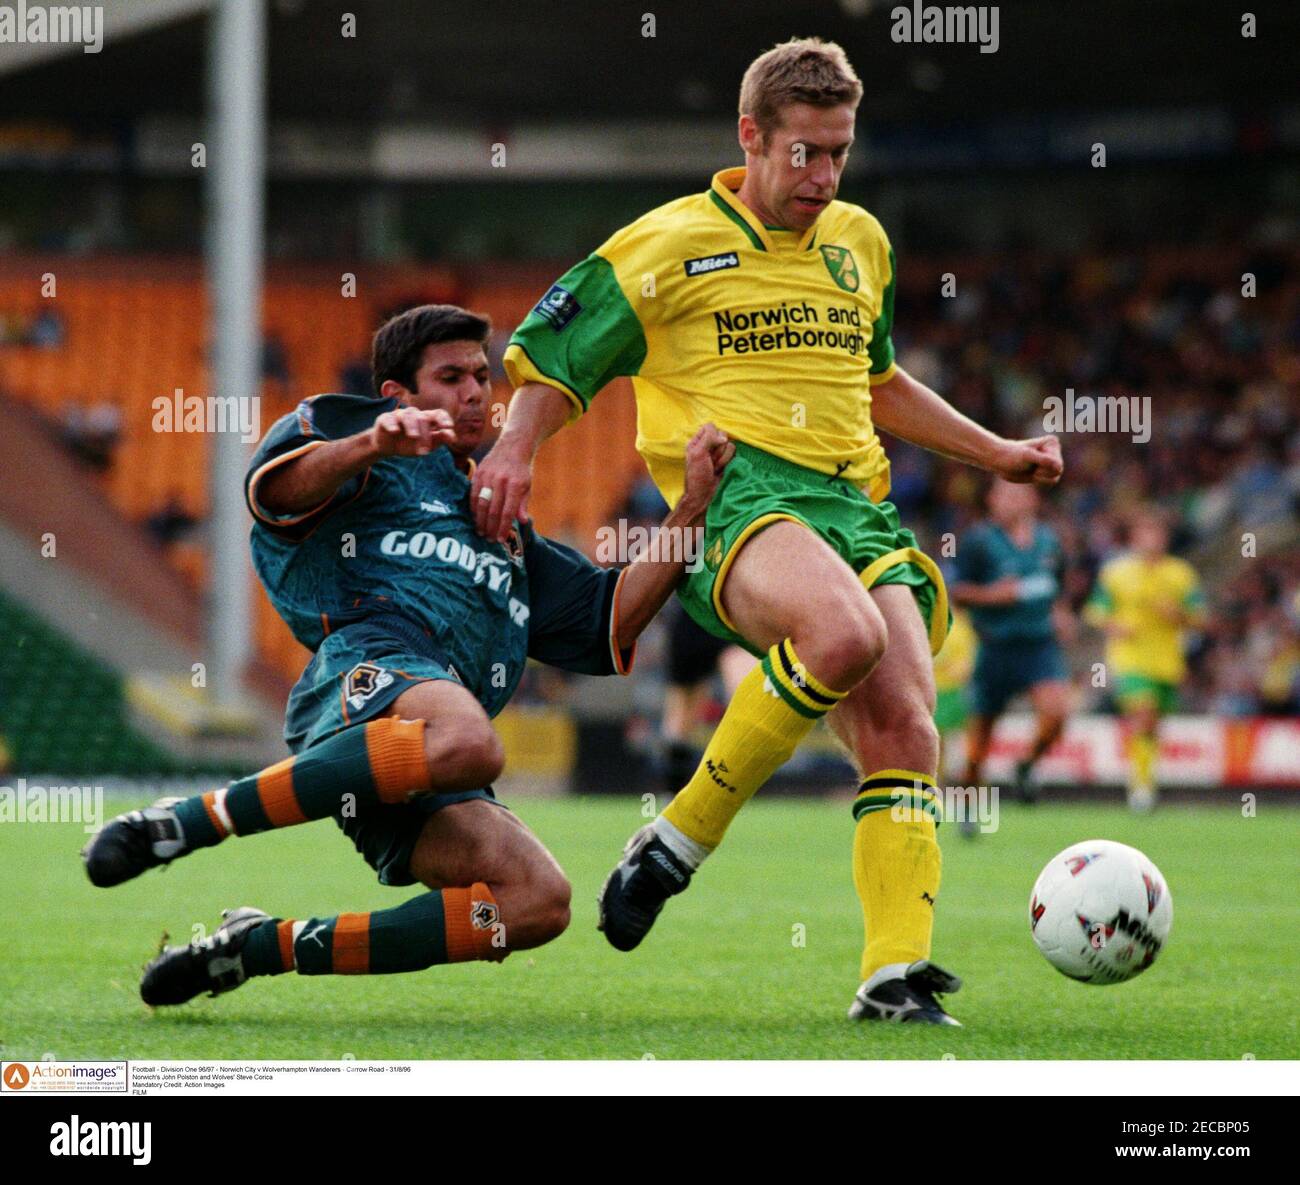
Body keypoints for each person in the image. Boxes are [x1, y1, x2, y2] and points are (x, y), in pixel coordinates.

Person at [471, 39, 1063, 1026]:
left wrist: (994, 452)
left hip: (853, 506)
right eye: (805, 154)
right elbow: (556, 354)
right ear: (751, 136)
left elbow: (877, 385)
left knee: (907, 732)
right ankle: (678, 840)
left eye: (840, 154)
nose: (824, 177)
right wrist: (514, 451)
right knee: (842, 635)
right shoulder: (665, 244)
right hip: (738, 498)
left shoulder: (859, 241)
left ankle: (892, 978)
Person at [82, 303, 733, 1004]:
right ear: (397, 394)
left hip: (425, 763)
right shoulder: (364, 446)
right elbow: (274, 491)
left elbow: (614, 618)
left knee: (536, 900)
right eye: (450, 377)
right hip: (362, 680)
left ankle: (259, 946)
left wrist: (692, 506)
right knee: (472, 741)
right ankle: (188, 822)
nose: (475, 392)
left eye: (481, 376)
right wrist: (371, 445)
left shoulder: (509, 536)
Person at [950, 480, 1075, 815]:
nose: (1010, 501)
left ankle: (1026, 765)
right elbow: (956, 592)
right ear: (990, 499)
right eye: (1003, 493)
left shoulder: (1050, 540)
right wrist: (995, 596)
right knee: (979, 742)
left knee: (1057, 713)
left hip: (1038, 646)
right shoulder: (978, 541)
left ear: (1032, 499)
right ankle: (969, 806)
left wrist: (1062, 614)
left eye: (1018, 493)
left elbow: (1058, 587)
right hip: (995, 648)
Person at [1084, 508, 1205, 812]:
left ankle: (1144, 776)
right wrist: (1115, 626)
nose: (1151, 540)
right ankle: (1141, 789)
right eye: (1145, 534)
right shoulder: (1116, 572)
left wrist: (1177, 616)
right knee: (1144, 712)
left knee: (1152, 725)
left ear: (1165, 538)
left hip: (1167, 661)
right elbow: (1094, 610)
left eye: (1157, 534)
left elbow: (1200, 618)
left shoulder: (1180, 574)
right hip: (1130, 658)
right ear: (1134, 539)